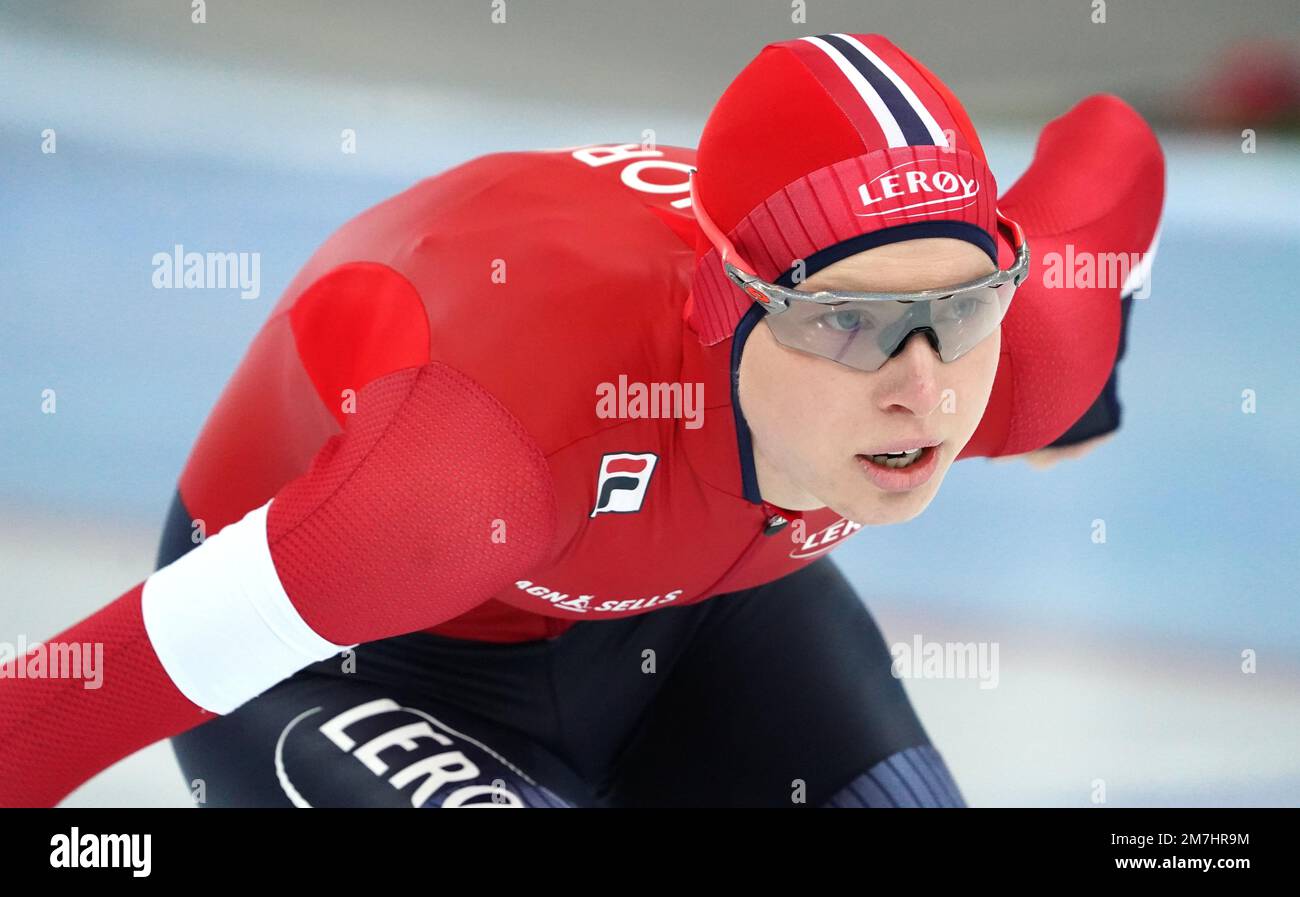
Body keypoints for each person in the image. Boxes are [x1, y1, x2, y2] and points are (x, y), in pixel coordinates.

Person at [0, 33, 1164, 807]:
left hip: (698, 615)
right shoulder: (485, 460)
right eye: (847, 325)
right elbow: (80, 691)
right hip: (354, 657)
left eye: (959, 309)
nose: (923, 386)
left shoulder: (1012, 362)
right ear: (725, 310)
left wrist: (1086, 393)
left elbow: (1111, 155)